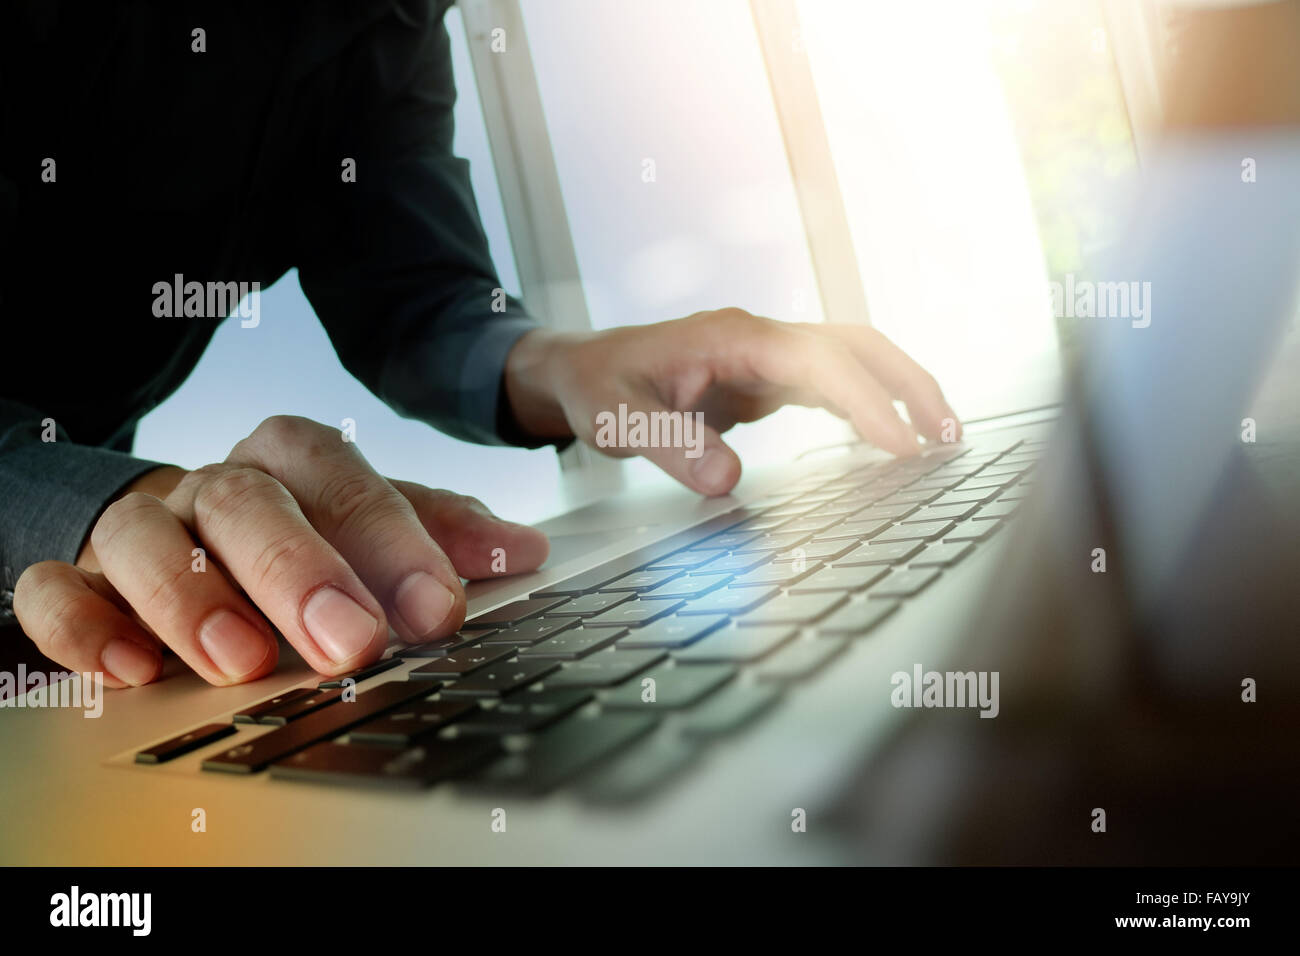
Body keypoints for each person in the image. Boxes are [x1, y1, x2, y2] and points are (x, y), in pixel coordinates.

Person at [0, 1, 958, 689]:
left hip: (80, 561)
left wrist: (563, 365)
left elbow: (417, 297)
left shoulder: (396, 28)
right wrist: (96, 502)